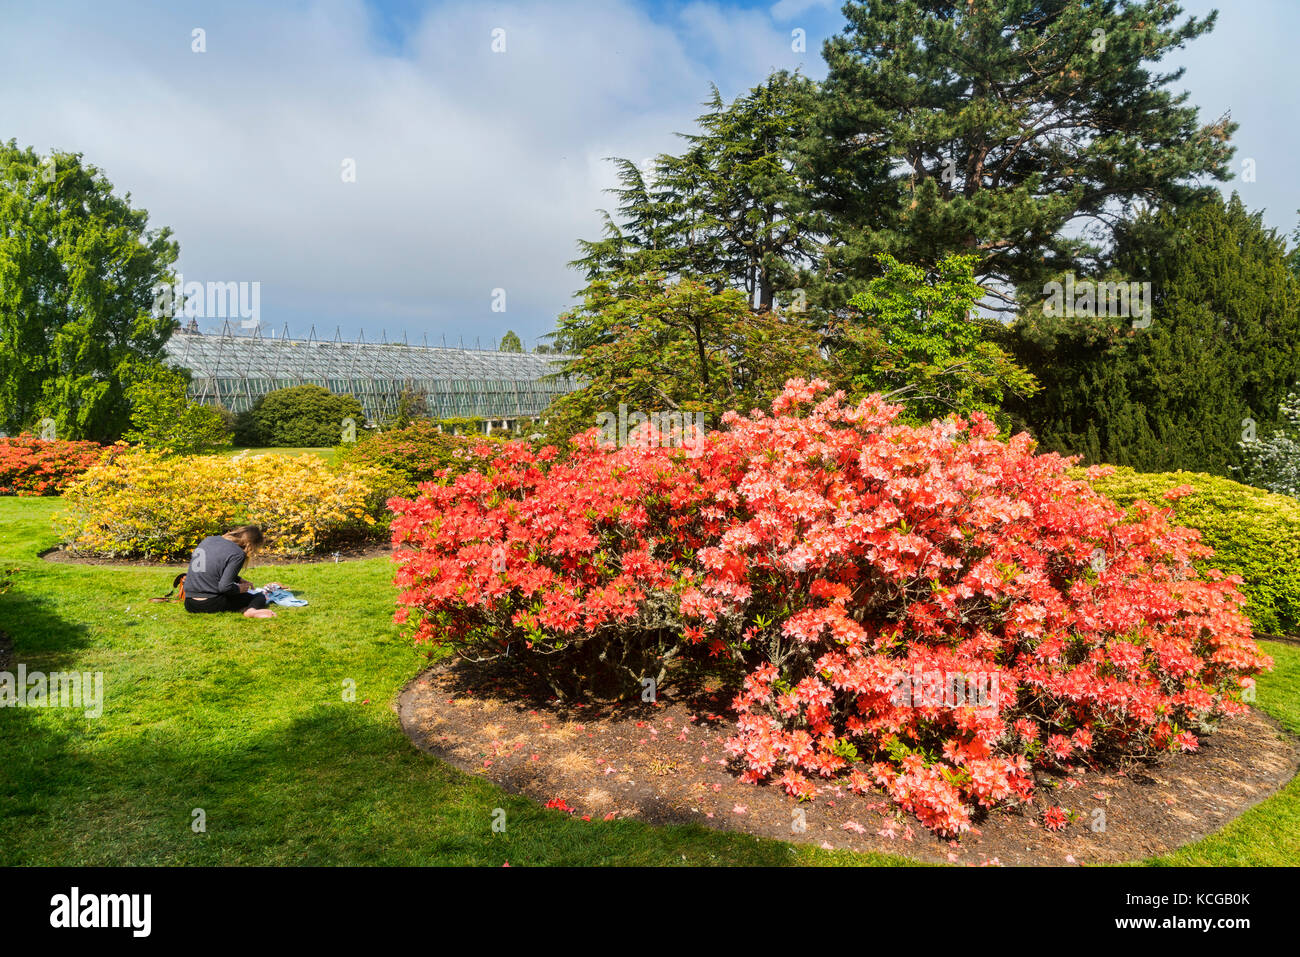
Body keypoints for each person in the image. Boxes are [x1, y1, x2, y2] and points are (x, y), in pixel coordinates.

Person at [183, 525, 282, 619]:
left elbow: (212, 569)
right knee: (259, 596)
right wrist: (239, 588)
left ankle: (241, 608)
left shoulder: (208, 540)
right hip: (209, 603)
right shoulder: (237, 554)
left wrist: (238, 579)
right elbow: (224, 588)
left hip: (189, 603)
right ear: (252, 545)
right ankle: (250, 611)